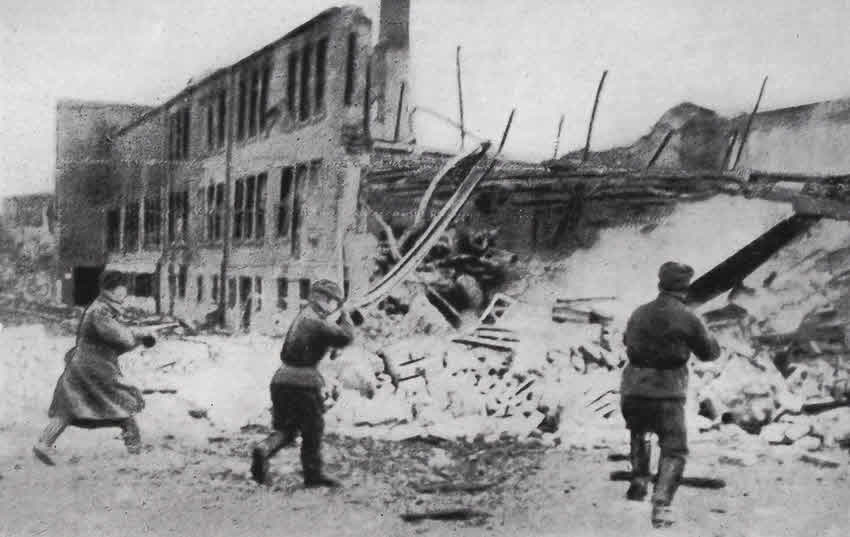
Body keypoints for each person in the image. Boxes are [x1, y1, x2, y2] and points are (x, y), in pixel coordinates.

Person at [620, 261, 720, 528]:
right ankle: (662, 505)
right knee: (674, 448)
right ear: (685, 288)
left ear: (660, 283)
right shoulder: (688, 316)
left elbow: (626, 340)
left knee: (639, 432)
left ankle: (640, 481)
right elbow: (709, 352)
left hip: (633, 387)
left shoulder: (639, 312)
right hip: (667, 389)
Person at [33, 270, 156, 466]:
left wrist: (140, 337)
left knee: (70, 408)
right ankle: (136, 452)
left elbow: (117, 342)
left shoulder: (103, 308)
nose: (125, 292)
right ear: (113, 289)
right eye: (122, 288)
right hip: (94, 369)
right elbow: (120, 338)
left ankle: (44, 443)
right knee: (123, 401)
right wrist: (142, 335)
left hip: (85, 366)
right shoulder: (101, 311)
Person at [251, 279, 354, 488]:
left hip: (281, 379)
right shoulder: (315, 320)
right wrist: (348, 317)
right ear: (325, 299)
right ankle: (313, 475)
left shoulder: (304, 317)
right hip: (303, 382)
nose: (337, 307)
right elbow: (345, 337)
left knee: (286, 430)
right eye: (336, 302)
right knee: (313, 429)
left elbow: (326, 343)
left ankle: (263, 449)